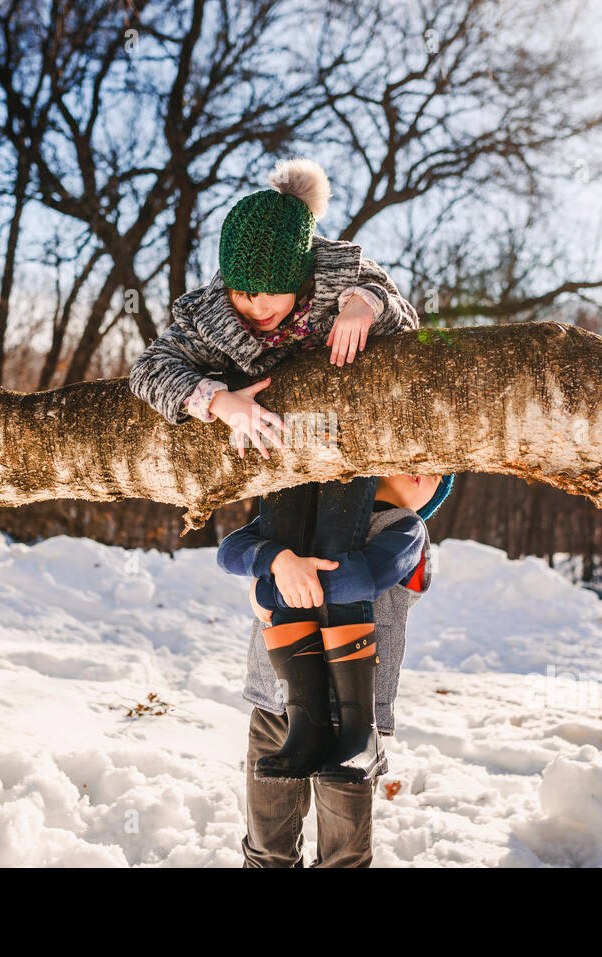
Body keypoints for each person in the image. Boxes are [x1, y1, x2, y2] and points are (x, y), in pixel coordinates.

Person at [128, 157, 420, 776]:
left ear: (301, 274)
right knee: (286, 563)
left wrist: (364, 307)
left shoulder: (341, 277)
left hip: (351, 450)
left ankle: (359, 731)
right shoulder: (213, 316)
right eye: (240, 289)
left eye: (266, 289)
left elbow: (402, 311)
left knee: (339, 558)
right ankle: (309, 723)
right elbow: (148, 369)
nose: (252, 305)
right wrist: (215, 398)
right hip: (281, 454)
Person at [218, 472, 453, 867]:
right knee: (267, 843)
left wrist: (268, 589)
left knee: (345, 852)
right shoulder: (302, 515)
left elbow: (358, 580)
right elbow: (230, 551)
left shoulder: (406, 530)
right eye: (415, 456)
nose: (425, 469)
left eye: (439, 475)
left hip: (352, 718)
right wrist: (278, 559)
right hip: (276, 702)